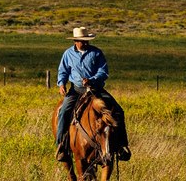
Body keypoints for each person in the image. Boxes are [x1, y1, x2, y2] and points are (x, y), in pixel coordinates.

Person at [55, 26, 131, 164]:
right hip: (76, 90)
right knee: (63, 112)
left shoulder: (96, 53)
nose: (85, 43)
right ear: (75, 41)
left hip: (96, 89)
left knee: (118, 111)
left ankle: (121, 145)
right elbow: (63, 71)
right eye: (82, 41)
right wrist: (61, 84)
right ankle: (61, 146)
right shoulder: (68, 54)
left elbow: (104, 71)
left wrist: (93, 79)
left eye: (86, 41)